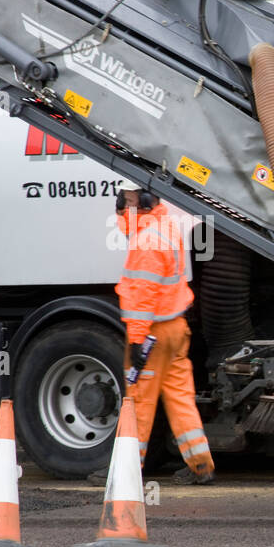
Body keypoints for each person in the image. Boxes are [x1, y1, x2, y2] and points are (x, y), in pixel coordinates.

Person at [96, 179, 216, 485]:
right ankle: (200, 464)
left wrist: (136, 340)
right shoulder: (166, 228)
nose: (121, 206)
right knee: (180, 397)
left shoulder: (146, 242)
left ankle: (125, 470)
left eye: (127, 200)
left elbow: (141, 299)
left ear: (144, 201)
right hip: (175, 329)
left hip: (152, 333)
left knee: (139, 400)